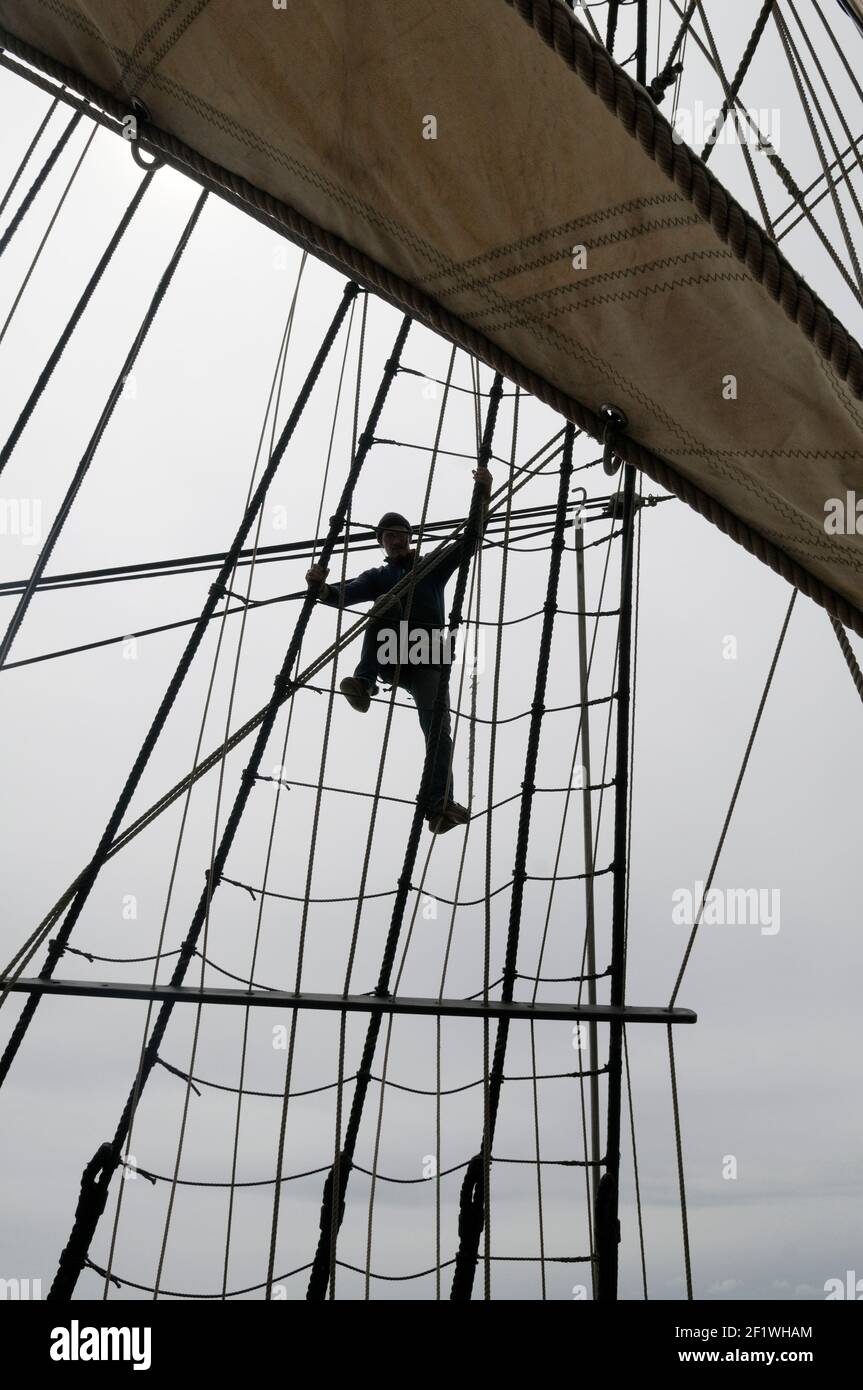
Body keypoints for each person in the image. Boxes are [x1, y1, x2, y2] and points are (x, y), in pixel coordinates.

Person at [306, 467, 492, 833]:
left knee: (437, 727)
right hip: (393, 653)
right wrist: (321, 588)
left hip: (428, 653)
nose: (393, 540)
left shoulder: (431, 566)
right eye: (387, 537)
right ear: (383, 543)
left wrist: (483, 492)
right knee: (380, 609)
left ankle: (440, 803)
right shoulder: (380, 577)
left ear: (409, 538)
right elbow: (343, 595)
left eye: (398, 535)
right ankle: (363, 683)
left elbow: (471, 539)